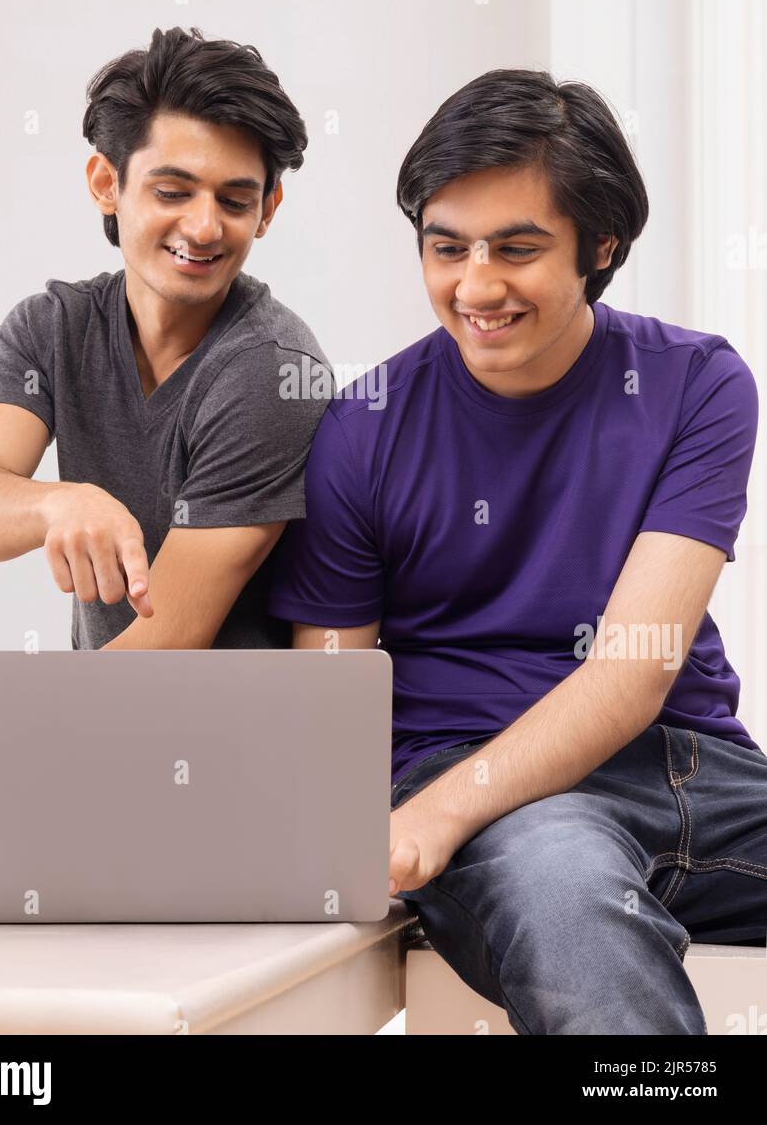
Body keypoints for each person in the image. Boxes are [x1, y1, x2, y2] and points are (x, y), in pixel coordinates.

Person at [266, 68, 767, 1034]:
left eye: (517, 248)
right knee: (571, 902)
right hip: (480, 791)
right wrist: (424, 818)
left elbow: (629, 675)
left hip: (692, 773)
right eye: (445, 249)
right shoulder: (362, 430)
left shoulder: (697, 385)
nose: (475, 285)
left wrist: (434, 821)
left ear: (602, 245)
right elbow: (331, 706)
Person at [0, 25, 332, 922]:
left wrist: (6, 747)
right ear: (107, 181)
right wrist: (60, 500)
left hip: (209, 764)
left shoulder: (268, 368)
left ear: (270, 209)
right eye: (172, 190)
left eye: (235, 199)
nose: (204, 228)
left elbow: (163, 651)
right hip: (102, 725)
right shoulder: (51, 327)